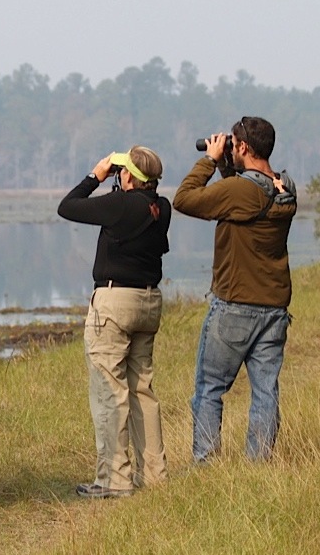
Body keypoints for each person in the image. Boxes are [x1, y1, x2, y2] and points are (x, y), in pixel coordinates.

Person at [172, 116, 297, 462]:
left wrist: (210, 161)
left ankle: (207, 465)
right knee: (265, 392)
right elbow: (246, 197)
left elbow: (184, 199)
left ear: (241, 147)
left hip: (235, 307)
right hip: (273, 308)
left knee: (209, 389)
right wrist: (232, 169)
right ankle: (259, 465)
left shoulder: (240, 191)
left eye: (233, 145)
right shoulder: (285, 187)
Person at [57, 146, 171, 498]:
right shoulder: (161, 207)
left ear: (129, 176)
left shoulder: (120, 205)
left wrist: (96, 175)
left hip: (114, 302)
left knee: (110, 392)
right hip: (149, 302)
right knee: (142, 391)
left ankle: (114, 480)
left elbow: (68, 206)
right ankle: (154, 475)